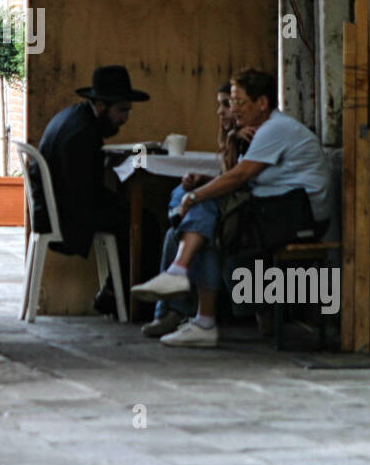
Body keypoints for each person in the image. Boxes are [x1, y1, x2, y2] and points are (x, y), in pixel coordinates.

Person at [131, 68, 331, 349]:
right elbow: (239, 178)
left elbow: (239, 177)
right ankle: (199, 315)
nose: (234, 110)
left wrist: (194, 197)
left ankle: (186, 290)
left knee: (204, 211)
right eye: (231, 102)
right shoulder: (263, 130)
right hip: (279, 211)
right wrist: (203, 184)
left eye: (239, 102)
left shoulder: (276, 129)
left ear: (262, 103)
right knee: (207, 226)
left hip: (300, 218)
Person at [32, 65, 150, 316]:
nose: (125, 118)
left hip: (58, 208)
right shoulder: (82, 132)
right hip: (66, 216)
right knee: (142, 223)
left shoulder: (74, 118)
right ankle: (129, 301)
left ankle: (114, 295)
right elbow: (84, 194)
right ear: (100, 105)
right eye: (121, 110)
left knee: (130, 216)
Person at [141, 82, 251, 337]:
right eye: (220, 105)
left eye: (228, 104)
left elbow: (238, 181)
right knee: (182, 222)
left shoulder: (248, 137)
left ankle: (173, 310)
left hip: (244, 215)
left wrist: (199, 190)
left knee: (188, 222)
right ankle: (180, 312)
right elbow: (227, 176)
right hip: (226, 209)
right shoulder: (232, 137)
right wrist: (202, 181)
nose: (220, 112)